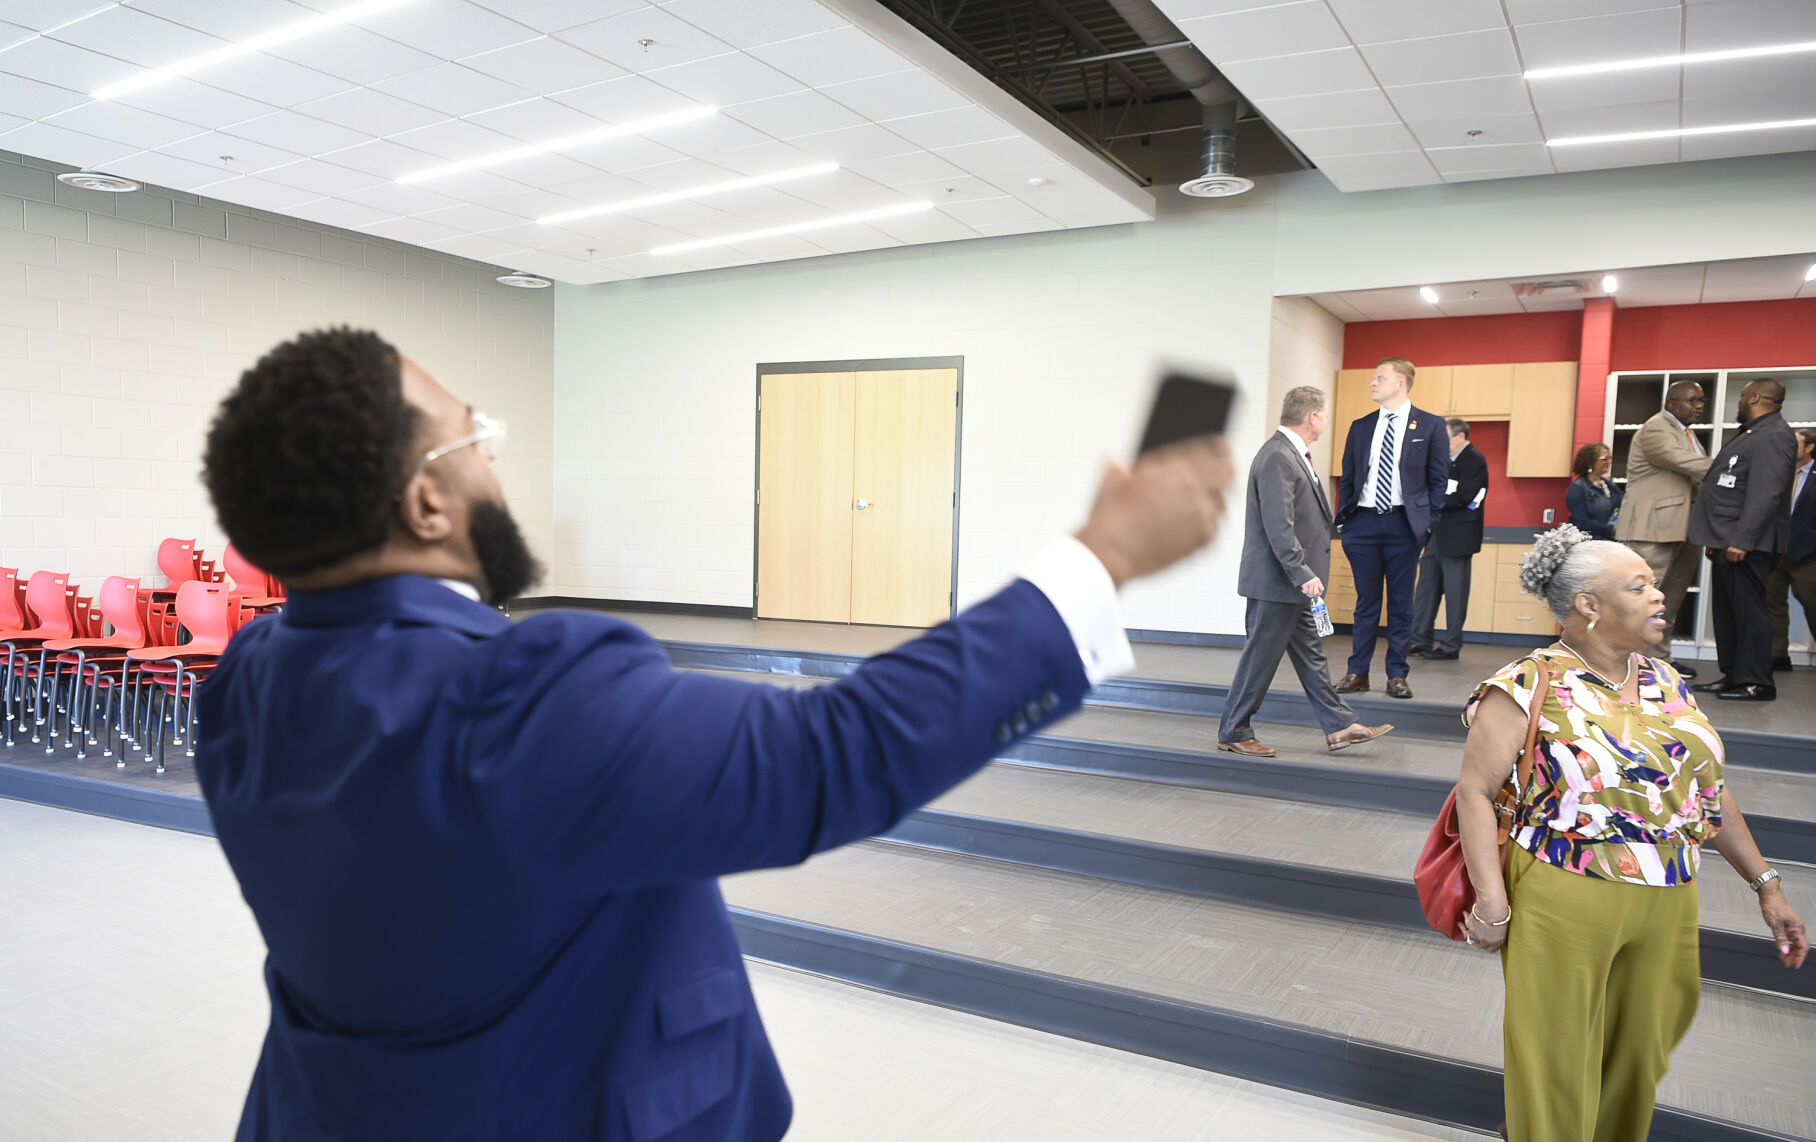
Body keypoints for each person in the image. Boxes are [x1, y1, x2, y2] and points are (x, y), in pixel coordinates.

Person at [193, 328, 1237, 1142]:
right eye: (477, 439)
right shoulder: (514, 698)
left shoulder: (247, 680)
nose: (495, 465)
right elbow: (832, 752)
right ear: (426, 502)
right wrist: (1103, 555)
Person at [1456, 525, 1807, 1142]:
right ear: (1588, 604)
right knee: (1555, 1064)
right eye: (1638, 586)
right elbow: (1476, 794)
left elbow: (1706, 793)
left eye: (1653, 585)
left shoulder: (1666, 683)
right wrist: (1491, 900)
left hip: (1670, 897)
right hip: (1566, 892)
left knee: (1637, 1063)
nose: (1658, 596)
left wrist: (1766, 884)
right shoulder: (1526, 684)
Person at [1217, 386, 1393, 757]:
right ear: (1313, 417)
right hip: (1278, 581)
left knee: (1312, 655)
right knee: (1260, 657)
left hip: (1292, 585)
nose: (1326, 421)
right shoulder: (1278, 457)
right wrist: (1301, 571)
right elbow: (1279, 524)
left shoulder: (1293, 455)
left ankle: (1340, 726)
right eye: (1325, 414)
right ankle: (1234, 731)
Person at [1334, 357, 1450, 700]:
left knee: (1401, 603)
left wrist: (1428, 522)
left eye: (1380, 377)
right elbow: (1349, 477)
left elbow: (1438, 481)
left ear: (1401, 383)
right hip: (1363, 524)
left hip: (1404, 525)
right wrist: (1346, 516)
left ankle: (1397, 674)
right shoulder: (1360, 426)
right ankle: (1358, 672)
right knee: (1366, 601)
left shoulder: (1429, 426)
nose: (1373, 382)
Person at [1687, 378, 1798, 701]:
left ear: (1756, 397)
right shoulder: (1756, 433)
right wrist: (1716, 538)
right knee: (1728, 611)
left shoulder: (1774, 434)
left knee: (1749, 612)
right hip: (1728, 539)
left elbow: (1767, 493)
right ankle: (1734, 674)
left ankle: (1756, 681)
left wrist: (1743, 539)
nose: (1739, 401)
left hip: (1749, 543)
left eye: (1743, 395)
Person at [1615, 381, 1713, 674]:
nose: (1699, 405)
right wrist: (1732, 468)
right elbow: (1682, 462)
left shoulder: (1689, 434)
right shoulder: (1656, 428)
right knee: (1639, 597)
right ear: (1671, 403)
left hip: (1684, 527)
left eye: (1701, 400)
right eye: (1692, 400)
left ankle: (1659, 660)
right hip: (1652, 527)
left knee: (1668, 600)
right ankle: (1623, 660)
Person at [1409, 418, 1489, 661]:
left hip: (1458, 537)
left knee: (1455, 594)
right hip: (1436, 533)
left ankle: (1451, 645)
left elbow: (1465, 496)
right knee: (1425, 589)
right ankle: (1419, 639)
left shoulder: (1474, 460)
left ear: (1460, 437)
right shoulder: (1444, 461)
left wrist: (1435, 499)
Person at [1766, 427, 1816, 672]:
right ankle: (1778, 656)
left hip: (1807, 553)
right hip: (1776, 550)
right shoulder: (1781, 473)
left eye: (1795, 444)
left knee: (1812, 602)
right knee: (1773, 603)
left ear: (1809, 448)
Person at [1564, 442, 1621, 540]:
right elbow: (1581, 522)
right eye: (1604, 458)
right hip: (1591, 542)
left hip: (1610, 541)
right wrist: (1612, 529)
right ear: (1590, 462)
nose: (1609, 462)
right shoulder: (1578, 488)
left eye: (1610, 458)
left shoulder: (1610, 485)